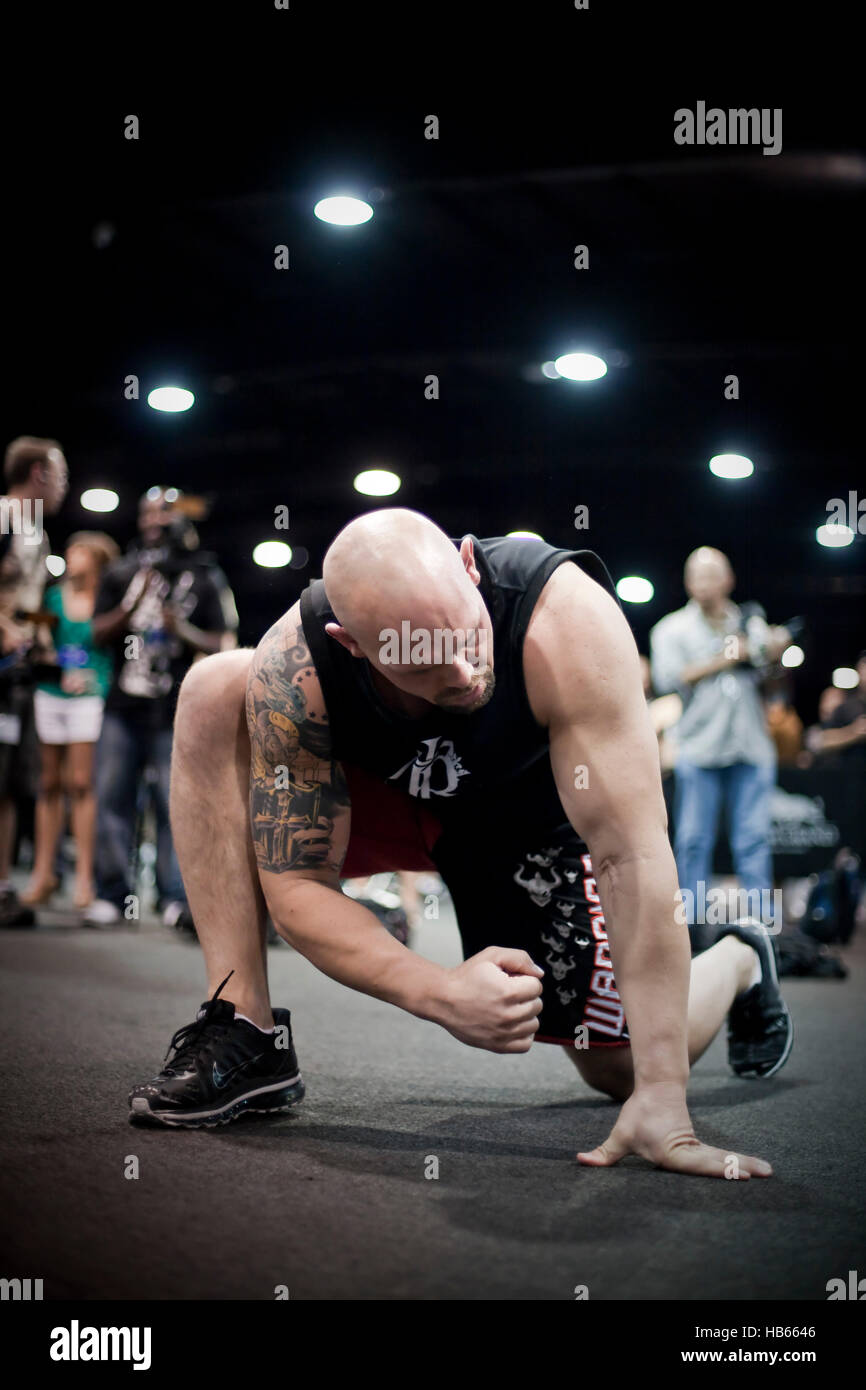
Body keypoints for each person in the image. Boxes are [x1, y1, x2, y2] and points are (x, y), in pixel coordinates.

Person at [130, 512, 791, 1182]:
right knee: (217, 686)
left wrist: (663, 1093)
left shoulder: (566, 620)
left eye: (467, 637)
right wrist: (439, 992)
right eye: (420, 660)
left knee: (617, 1068)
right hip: (381, 804)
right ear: (351, 644)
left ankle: (737, 957)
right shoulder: (298, 663)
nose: (462, 674)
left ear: (471, 568)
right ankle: (246, 1026)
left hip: (526, 823)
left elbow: (631, 855)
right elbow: (296, 884)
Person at [86, 487, 237, 928]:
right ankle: (113, 895)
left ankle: (173, 897)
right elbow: (94, 633)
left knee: (177, 805)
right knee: (112, 797)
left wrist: (182, 629)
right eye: (148, 512)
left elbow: (223, 640)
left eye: (165, 512)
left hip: (176, 709)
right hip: (121, 706)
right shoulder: (120, 572)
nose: (156, 520)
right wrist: (131, 605)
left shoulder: (205, 573)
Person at [650, 547, 790, 955]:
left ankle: (761, 928)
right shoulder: (671, 630)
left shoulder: (751, 623)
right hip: (699, 746)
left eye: (713, 574)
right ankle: (690, 930)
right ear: (686, 581)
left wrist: (775, 654)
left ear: (729, 579)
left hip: (751, 745)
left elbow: (773, 683)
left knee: (754, 838)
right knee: (693, 839)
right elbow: (670, 679)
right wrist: (734, 654)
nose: (705, 582)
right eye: (697, 574)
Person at [22, 532, 119, 910]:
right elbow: (40, 637)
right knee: (48, 783)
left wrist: (92, 679)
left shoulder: (105, 601)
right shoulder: (51, 598)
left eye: (79, 551)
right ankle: (43, 873)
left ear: (97, 560)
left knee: (81, 783)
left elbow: (109, 649)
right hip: (51, 694)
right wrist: (53, 664)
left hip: (90, 697)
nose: (71, 555)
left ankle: (83, 880)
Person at [0, 436, 69, 927]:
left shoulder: (37, 535)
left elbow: (29, 607)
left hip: (17, 678)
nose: (65, 485)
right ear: (40, 474)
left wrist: (46, 646)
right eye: (61, 474)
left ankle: (3, 885)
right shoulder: (4, 515)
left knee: (9, 783)